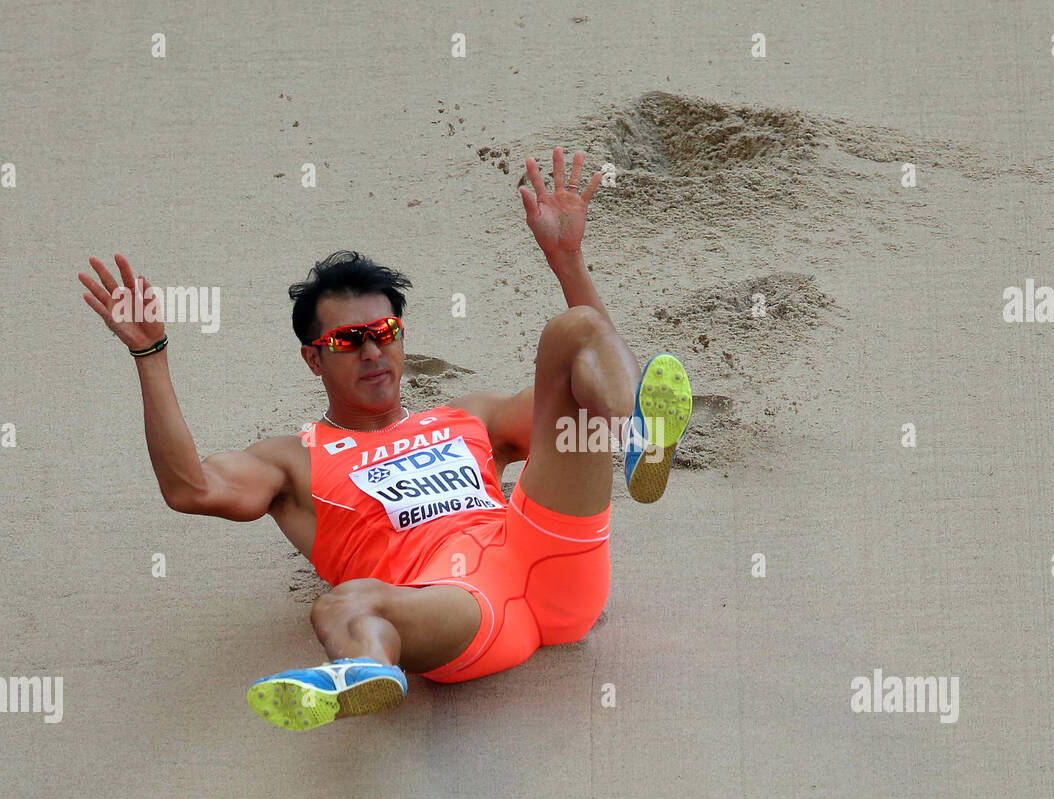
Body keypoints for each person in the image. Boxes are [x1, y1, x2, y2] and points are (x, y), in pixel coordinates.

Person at [78, 147, 692, 731]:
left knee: (577, 332)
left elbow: (582, 387)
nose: (373, 351)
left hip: (549, 553)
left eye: (385, 331)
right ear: (313, 359)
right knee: (341, 607)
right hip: (457, 606)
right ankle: (366, 672)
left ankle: (640, 435)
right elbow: (189, 488)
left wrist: (568, 261)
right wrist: (150, 354)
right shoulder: (293, 461)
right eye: (348, 341)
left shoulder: (467, 416)